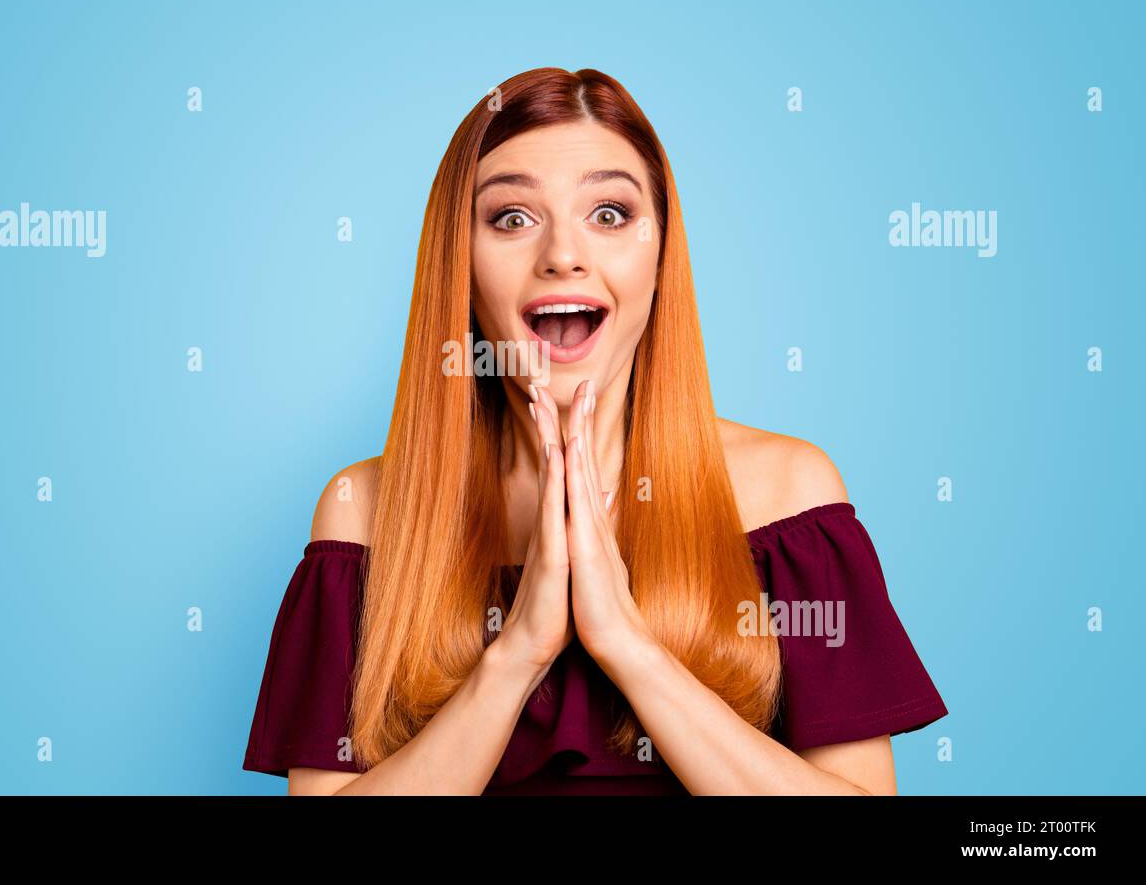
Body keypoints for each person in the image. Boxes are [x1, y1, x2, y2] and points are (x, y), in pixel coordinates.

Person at [242, 67, 948, 795]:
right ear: (459, 260)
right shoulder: (364, 509)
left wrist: (628, 647)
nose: (563, 254)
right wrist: (518, 651)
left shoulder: (787, 493)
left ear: (661, 253)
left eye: (609, 213)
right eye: (512, 217)